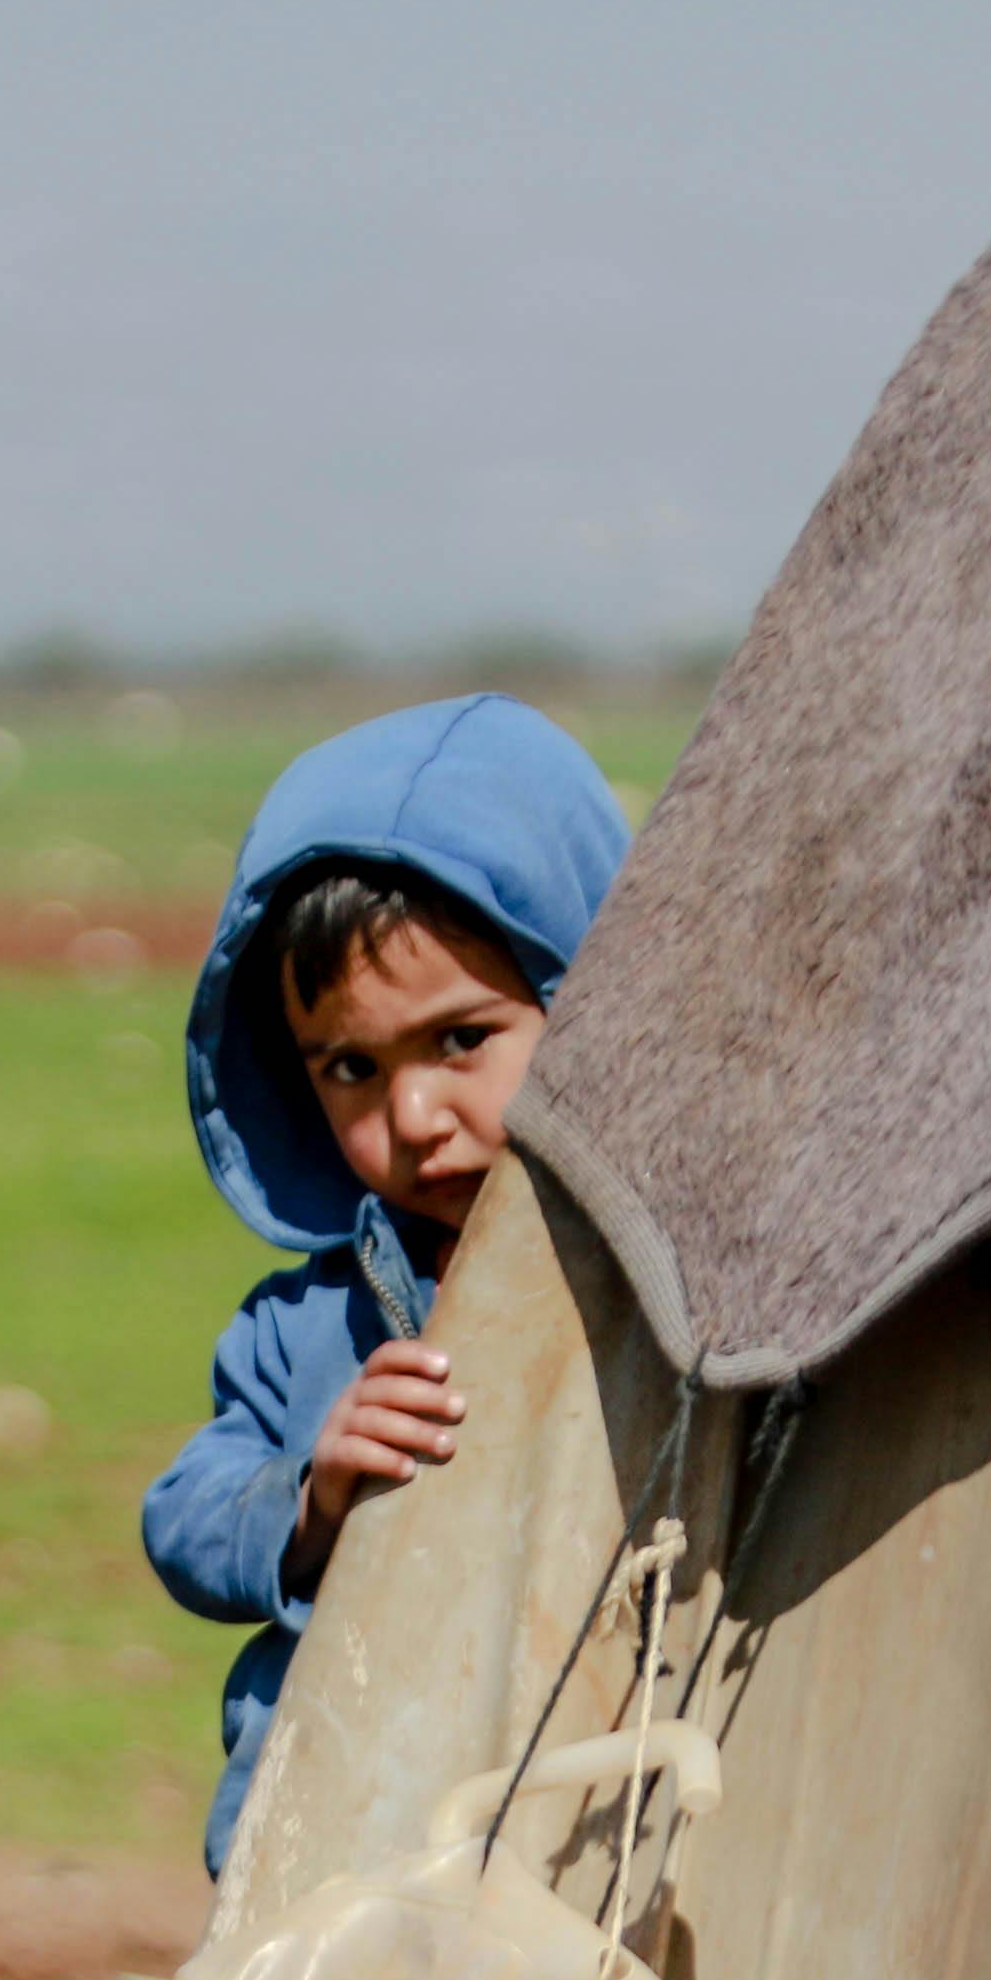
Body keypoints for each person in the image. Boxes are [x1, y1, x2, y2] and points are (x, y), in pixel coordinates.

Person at [143, 694, 633, 1873]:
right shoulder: (307, 1326)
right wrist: (309, 1502)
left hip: (589, 1845)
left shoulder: (670, 1301)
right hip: (332, 1870)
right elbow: (185, 1513)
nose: (414, 1117)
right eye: (352, 1067)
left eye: (463, 1040)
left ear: (592, 1001)